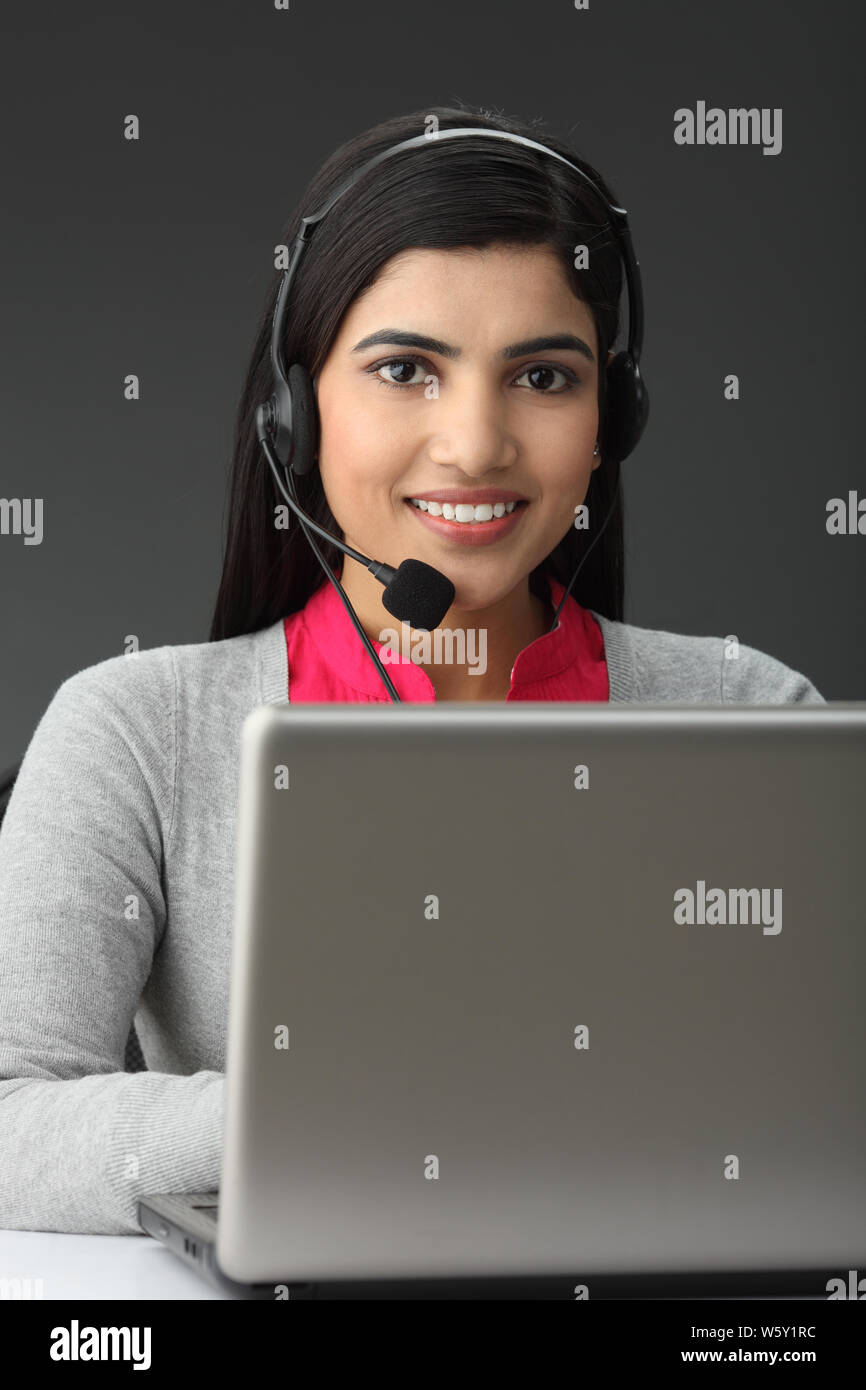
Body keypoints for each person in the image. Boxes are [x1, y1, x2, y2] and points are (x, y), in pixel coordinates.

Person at [0, 102, 823, 1236]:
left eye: (544, 377)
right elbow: (12, 1121)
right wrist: (344, 1116)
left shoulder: (753, 716)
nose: (475, 444)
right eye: (405, 369)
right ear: (295, 415)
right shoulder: (135, 732)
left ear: (612, 417)